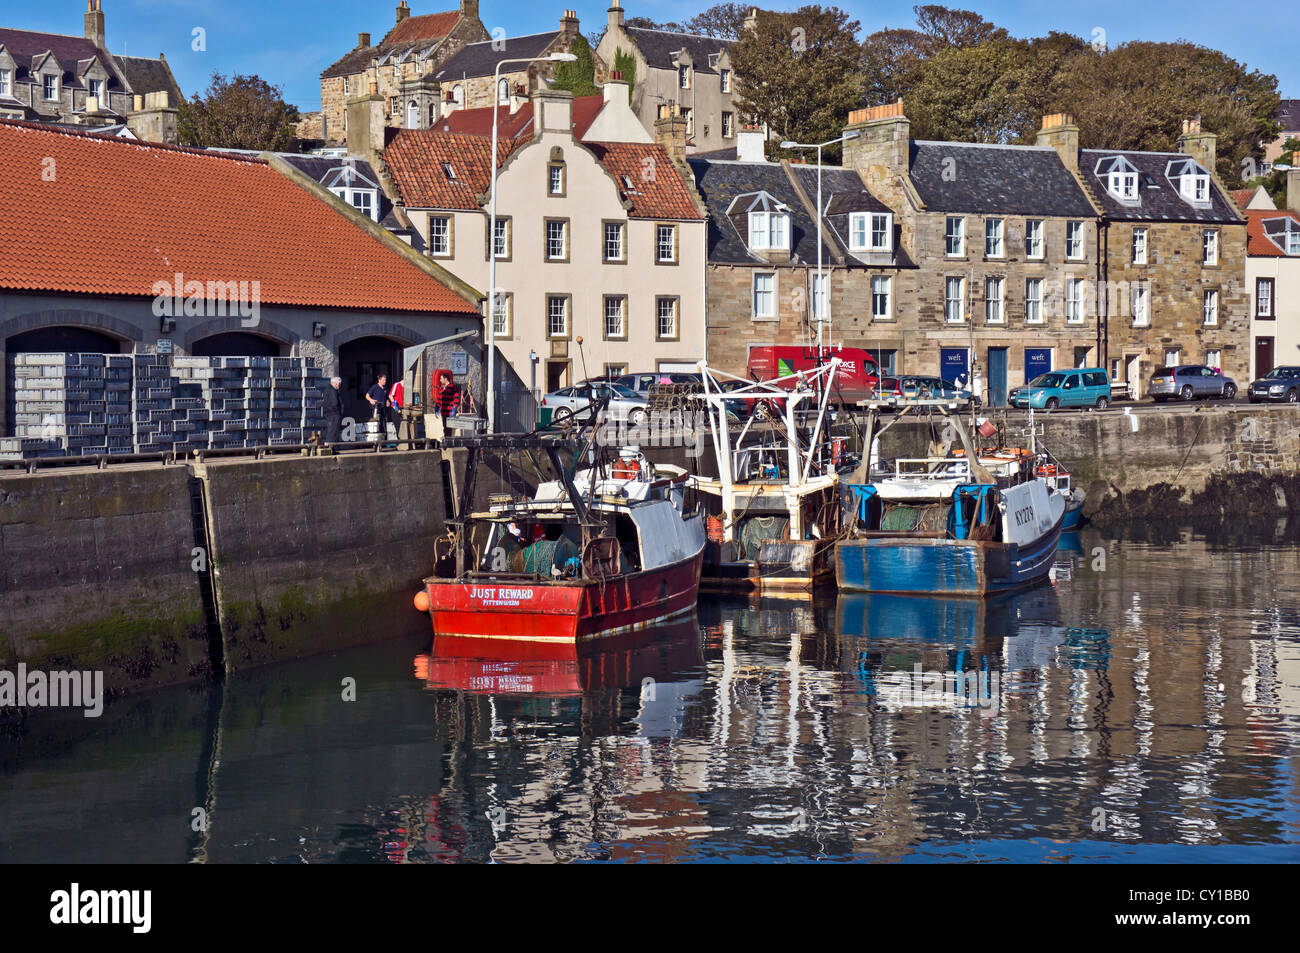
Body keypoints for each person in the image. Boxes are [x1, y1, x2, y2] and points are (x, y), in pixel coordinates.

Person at [430, 371, 460, 444]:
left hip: (450, 412)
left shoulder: (452, 387)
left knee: (449, 428)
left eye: (441, 378)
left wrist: (454, 408)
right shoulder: (441, 389)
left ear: (446, 379)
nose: (440, 380)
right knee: (445, 427)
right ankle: (446, 441)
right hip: (444, 412)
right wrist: (437, 408)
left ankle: (448, 442)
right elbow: (439, 400)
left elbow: (456, 398)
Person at [366, 373, 396, 444]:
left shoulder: (385, 389)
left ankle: (384, 442)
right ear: (379, 380)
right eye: (383, 380)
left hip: (384, 409)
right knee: (378, 425)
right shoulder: (374, 387)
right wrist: (371, 400)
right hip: (377, 409)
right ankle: (377, 442)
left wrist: (388, 401)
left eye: (385, 380)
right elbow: (367, 395)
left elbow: (388, 397)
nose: (385, 381)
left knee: (384, 424)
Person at [322, 375, 344, 443]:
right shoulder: (332, 390)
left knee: (331, 431)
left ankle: (331, 447)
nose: (339, 386)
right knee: (333, 432)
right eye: (339, 384)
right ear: (335, 383)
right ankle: (331, 447)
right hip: (333, 413)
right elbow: (335, 402)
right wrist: (339, 412)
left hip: (329, 413)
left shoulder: (327, 389)